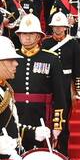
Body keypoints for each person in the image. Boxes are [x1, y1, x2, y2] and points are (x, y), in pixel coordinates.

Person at [12, 15, 68, 149]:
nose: (27, 37)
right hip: (15, 114)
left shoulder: (51, 59)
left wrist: (57, 124)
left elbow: (60, 95)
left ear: (39, 36)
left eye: (31, 33)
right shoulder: (11, 57)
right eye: (23, 33)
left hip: (42, 115)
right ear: (19, 36)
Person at [43, 12, 80, 154]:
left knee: (63, 119)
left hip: (66, 84)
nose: (58, 29)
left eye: (61, 27)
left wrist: (78, 90)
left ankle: (63, 150)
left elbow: (78, 67)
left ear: (66, 27)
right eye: (55, 27)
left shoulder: (73, 43)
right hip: (48, 84)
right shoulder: (46, 43)